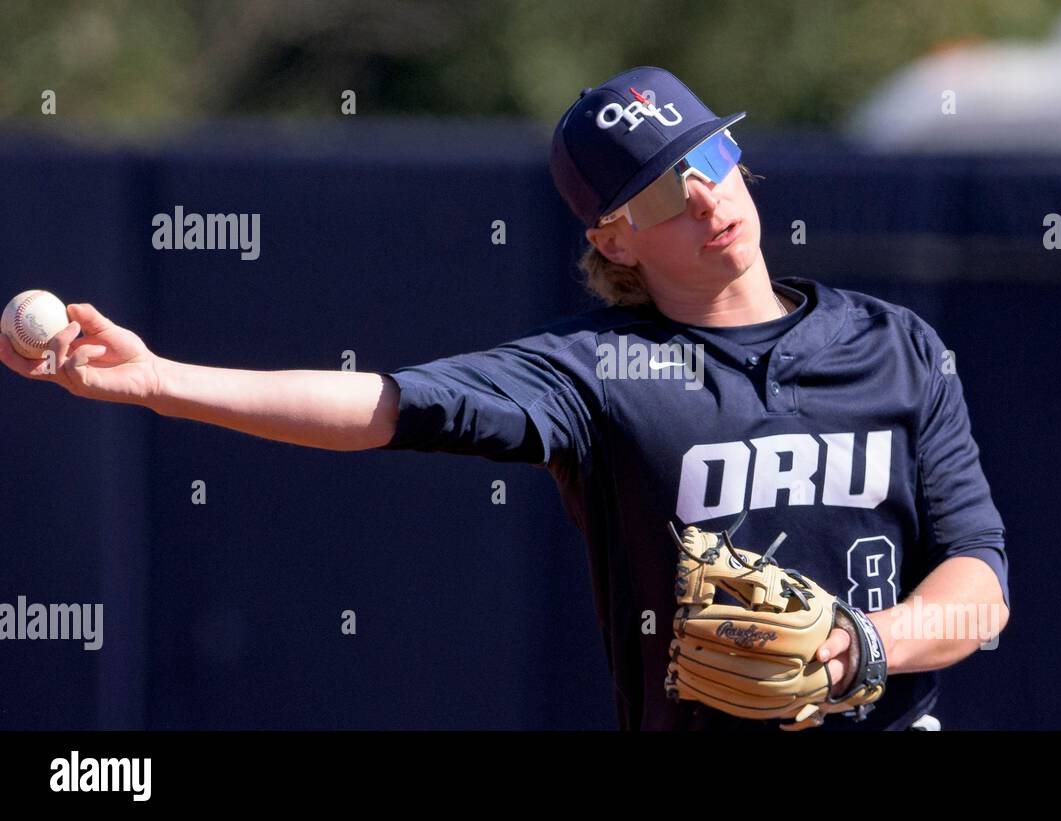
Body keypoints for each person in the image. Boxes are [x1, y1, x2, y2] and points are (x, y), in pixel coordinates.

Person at [0, 66, 1009, 731]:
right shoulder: (593, 374)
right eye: (659, 191)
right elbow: (382, 405)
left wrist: (864, 645)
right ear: (611, 239)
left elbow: (980, 584)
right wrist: (161, 380)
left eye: (707, 157)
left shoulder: (893, 344)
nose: (703, 196)